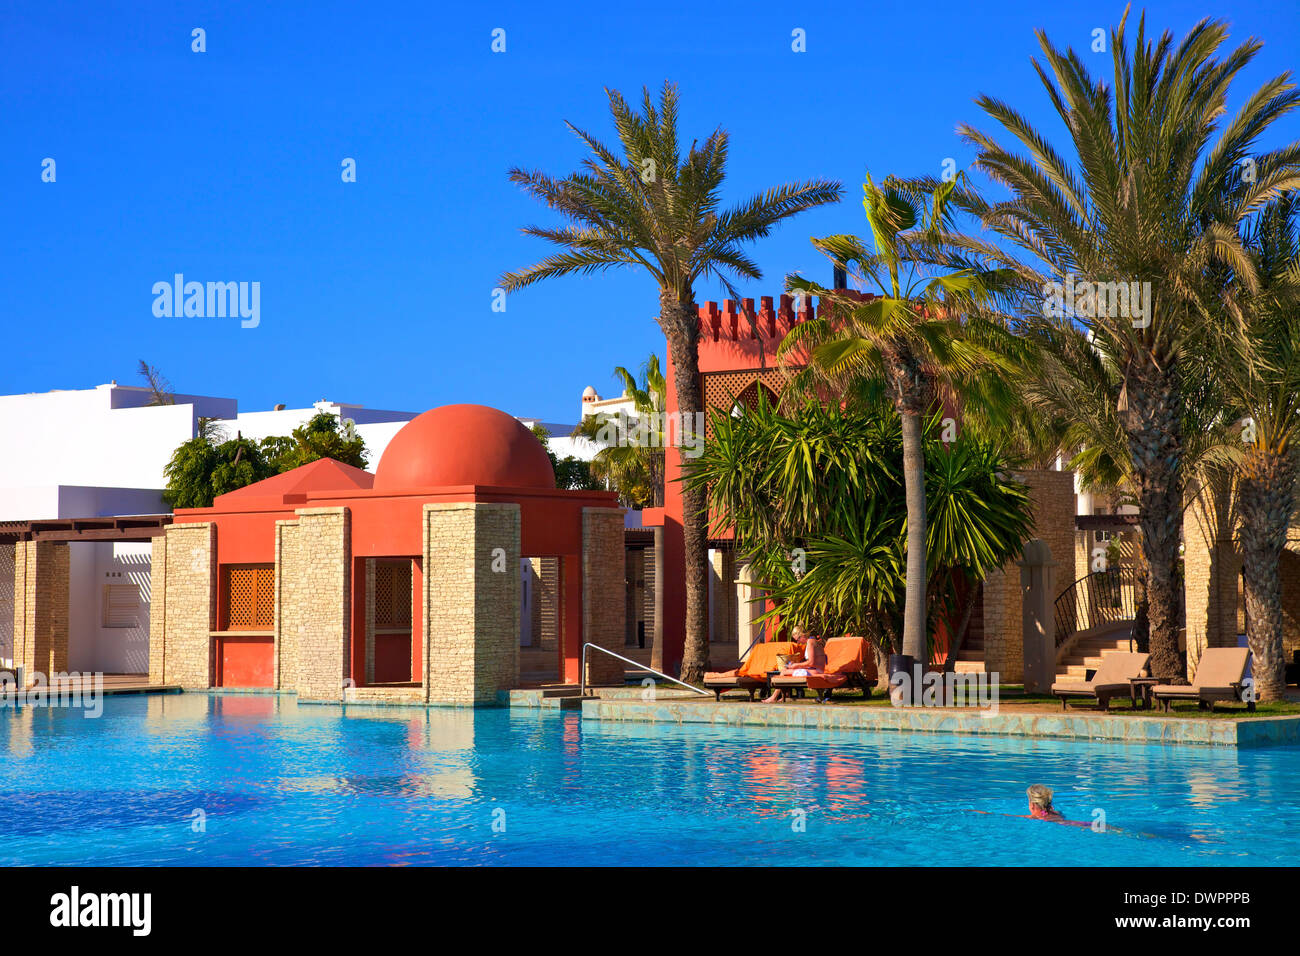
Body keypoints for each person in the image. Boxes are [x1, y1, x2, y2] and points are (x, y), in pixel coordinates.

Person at [762, 626, 825, 703]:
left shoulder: (810, 642)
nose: (798, 642)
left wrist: (796, 665)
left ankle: (774, 697)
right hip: (816, 670)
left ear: (803, 635)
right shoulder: (812, 641)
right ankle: (784, 696)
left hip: (815, 672)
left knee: (784, 672)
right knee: (788, 670)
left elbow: (811, 663)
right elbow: (812, 662)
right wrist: (796, 665)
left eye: (798, 639)